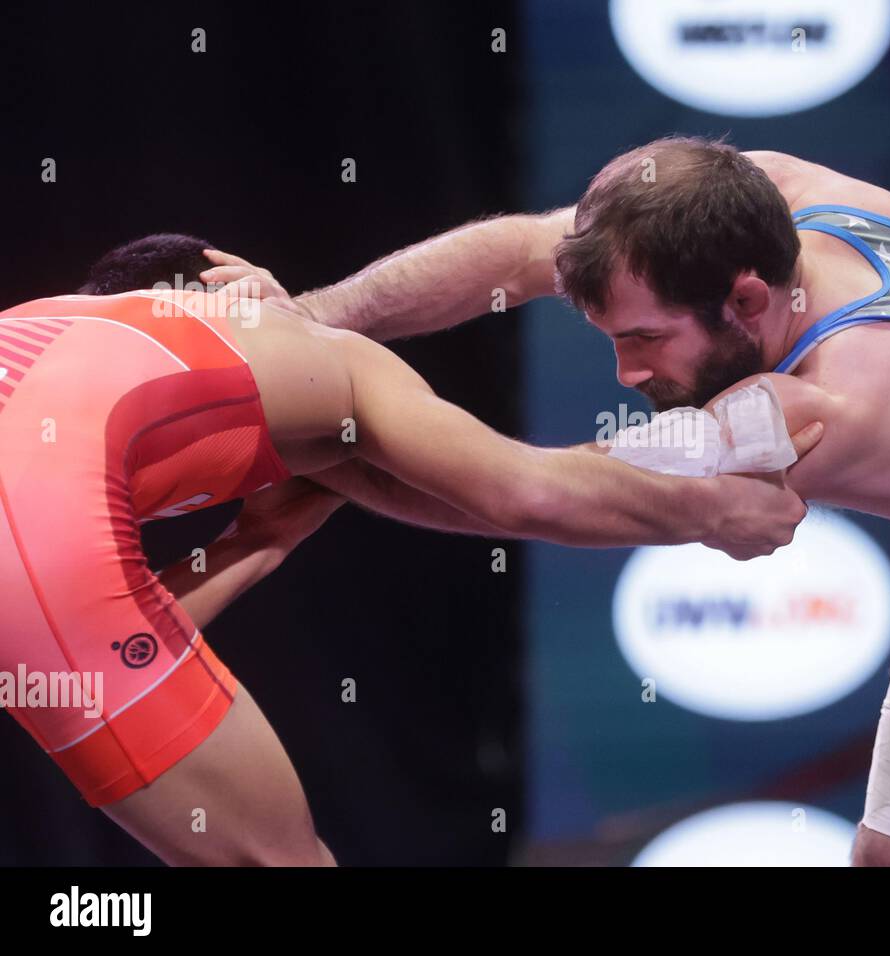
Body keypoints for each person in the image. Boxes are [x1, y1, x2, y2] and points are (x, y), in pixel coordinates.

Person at [211, 137, 890, 866]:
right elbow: (510, 250)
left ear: (748, 301)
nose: (626, 372)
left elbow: (527, 492)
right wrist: (304, 321)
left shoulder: (838, 398)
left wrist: (334, 451)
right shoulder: (765, 198)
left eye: (642, 342)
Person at [0, 232, 818, 865]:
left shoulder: (43, 329)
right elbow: (520, 490)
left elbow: (45, 637)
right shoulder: (329, 357)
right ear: (226, 290)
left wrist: (256, 544)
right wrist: (710, 512)